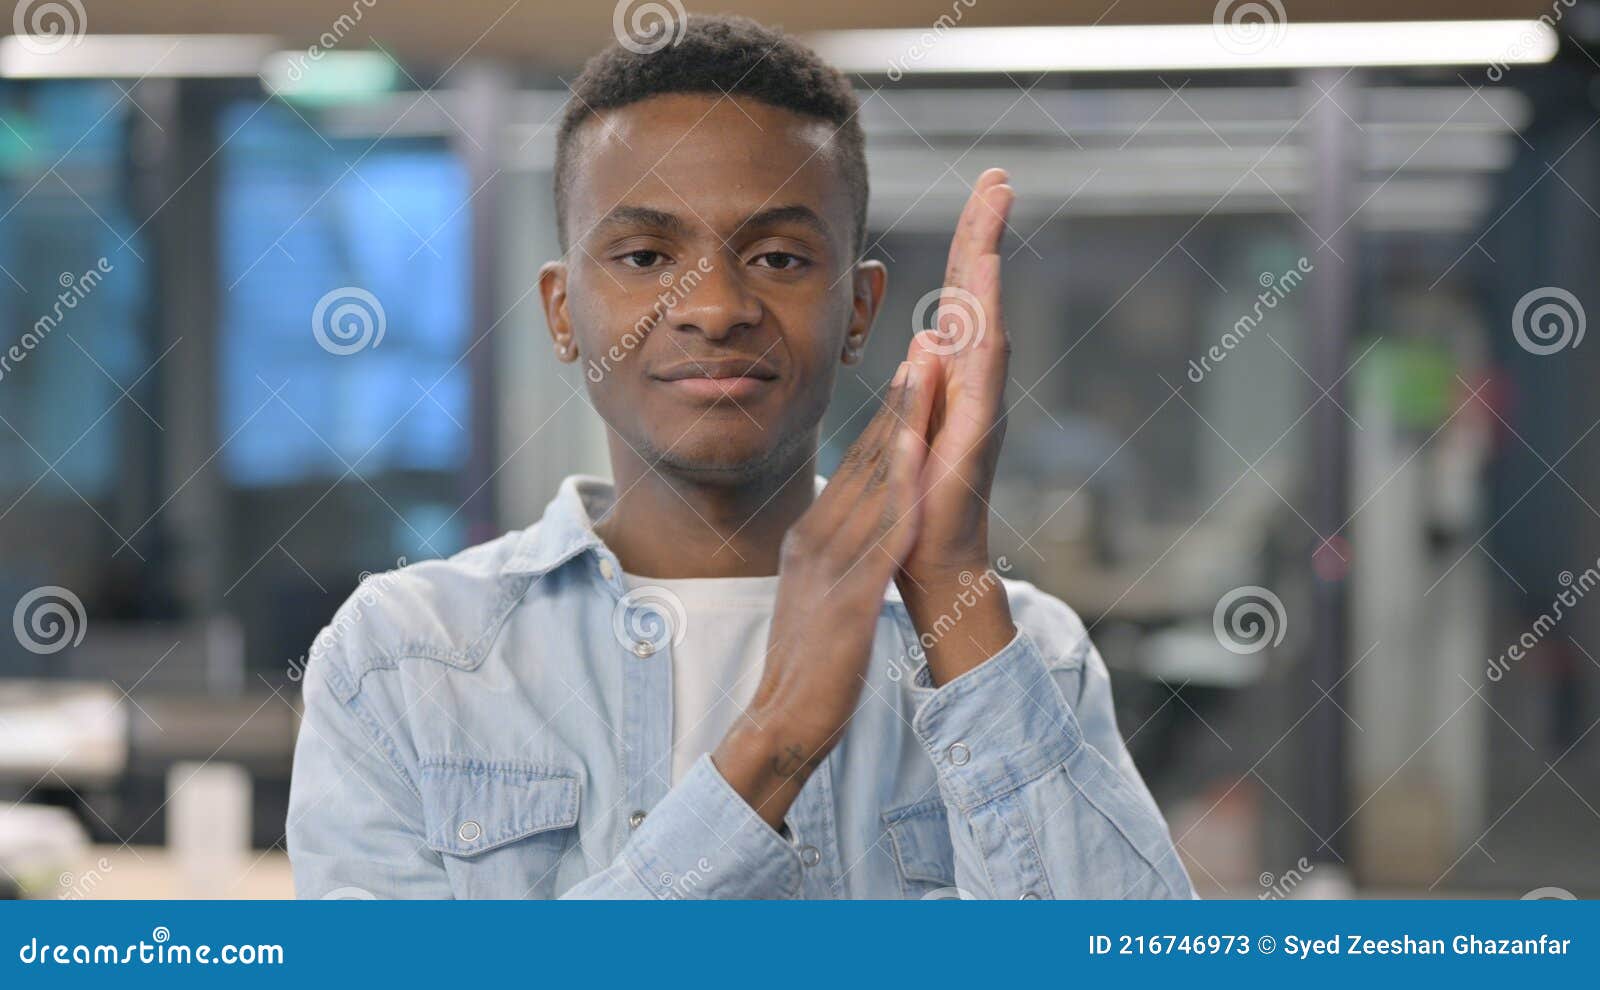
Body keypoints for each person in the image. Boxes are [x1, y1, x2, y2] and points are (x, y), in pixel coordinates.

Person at [287, 13, 1194, 900]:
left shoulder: (1024, 652)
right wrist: (772, 746)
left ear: (862, 311)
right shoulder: (404, 660)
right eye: (645, 254)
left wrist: (952, 582)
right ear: (565, 313)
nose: (714, 305)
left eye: (780, 258)